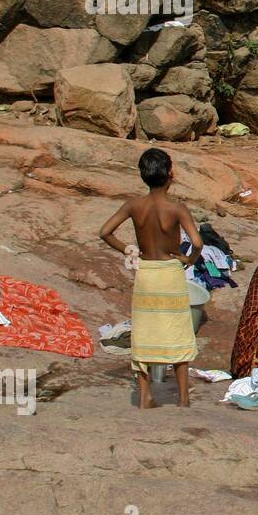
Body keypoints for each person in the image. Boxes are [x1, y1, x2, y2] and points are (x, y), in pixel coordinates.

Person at [98, 148, 202, 410]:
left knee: (144, 331)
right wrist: (189, 259)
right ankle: (183, 398)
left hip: (146, 272)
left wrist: (128, 250)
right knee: (178, 331)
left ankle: (144, 396)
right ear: (169, 174)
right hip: (170, 273)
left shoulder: (135, 205)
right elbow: (198, 243)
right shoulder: (177, 208)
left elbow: (105, 232)